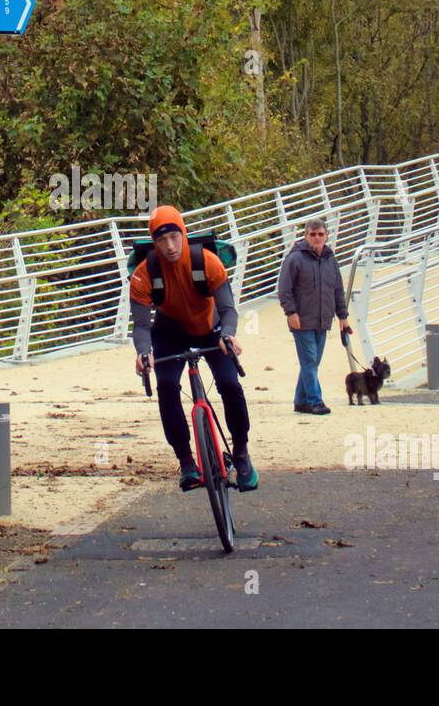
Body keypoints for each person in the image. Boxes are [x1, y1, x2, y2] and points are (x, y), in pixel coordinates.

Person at [130, 205, 257, 492]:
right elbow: (140, 325)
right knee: (165, 385)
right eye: (161, 240)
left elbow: (228, 309)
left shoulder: (207, 261)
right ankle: (186, 461)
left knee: (229, 383)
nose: (170, 246)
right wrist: (143, 351)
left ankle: (241, 451)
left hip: (211, 329)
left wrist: (229, 335)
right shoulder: (143, 273)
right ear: (154, 242)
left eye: (175, 237)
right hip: (169, 332)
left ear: (184, 234)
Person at [277, 217, 352, 415]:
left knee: (312, 362)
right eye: (313, 234)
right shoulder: (294, 259)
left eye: (320, 234)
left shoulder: (330, 259)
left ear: (326, 236)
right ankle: (315, 401)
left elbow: (337, 289)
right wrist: (291, 312)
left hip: (323, 319)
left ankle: (301, 401)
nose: (317, 238)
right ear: (306, 235)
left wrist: (343, 316)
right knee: (309, 360)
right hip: (302, 320)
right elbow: (284, 289)